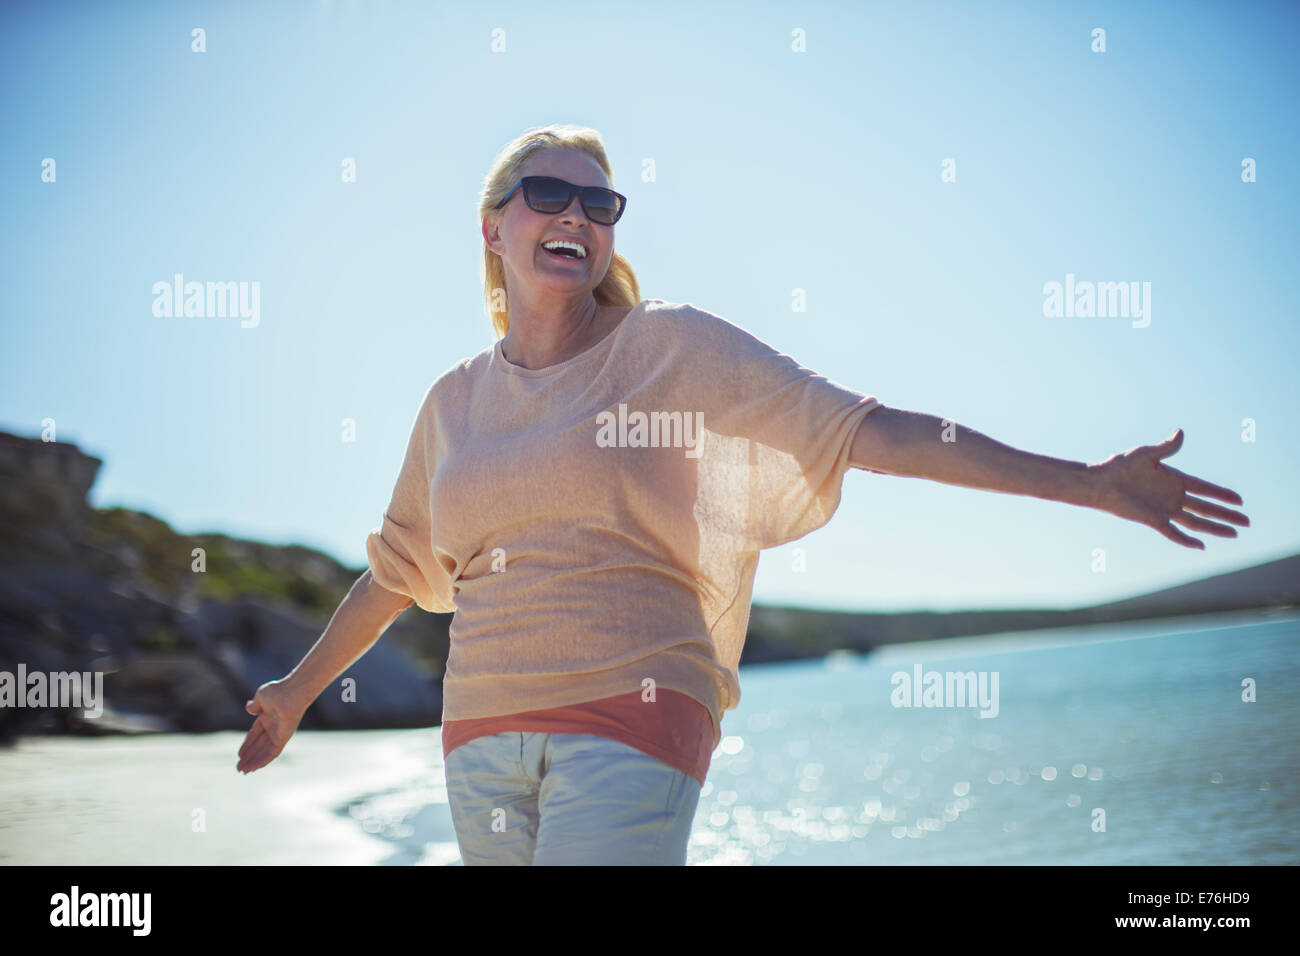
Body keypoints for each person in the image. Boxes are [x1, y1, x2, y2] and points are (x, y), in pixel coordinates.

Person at [235, 123, 1250, 866]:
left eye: (600, 204)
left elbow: (866, 427)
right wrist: (293, 692)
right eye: (550, 193)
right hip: (477, 730)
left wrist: (1084, 483)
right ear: (493, 226)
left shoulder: (670, 347)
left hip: (634, 700)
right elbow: (397, 570)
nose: (577, 216)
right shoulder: (452, 401)